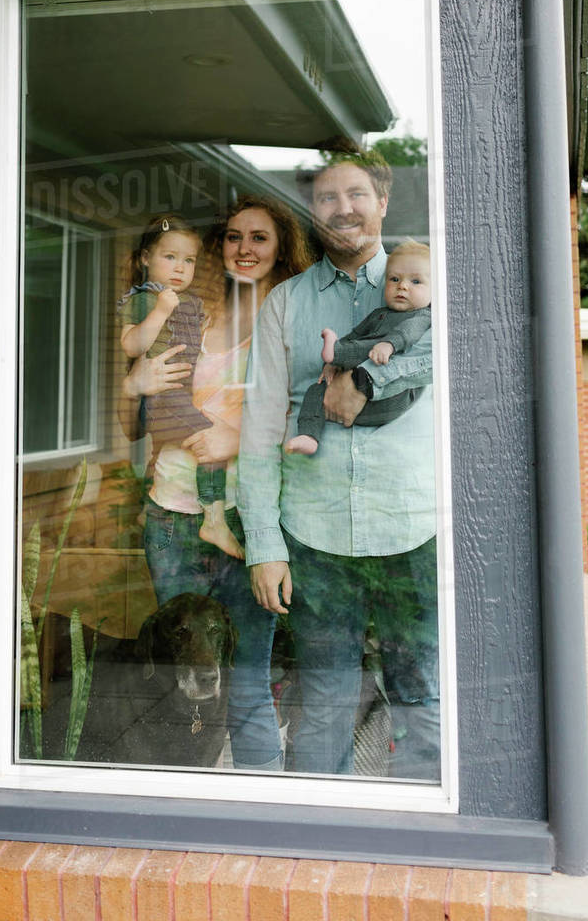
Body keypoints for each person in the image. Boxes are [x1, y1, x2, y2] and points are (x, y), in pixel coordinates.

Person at [238, 152, 440, 779]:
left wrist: (372, 379)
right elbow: (262, 425)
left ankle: (424, 848)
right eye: (327, 197)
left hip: (415, 527)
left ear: (383, 202)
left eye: (356, 194)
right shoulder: (286, 305)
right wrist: (263, 544)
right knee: (323, 702)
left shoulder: (435, 288)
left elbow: (454, 368)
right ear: (312, 211)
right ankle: (313, 847)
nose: (343, 208)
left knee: (422, 696)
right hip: (315, 535)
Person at [120, 196, 312, 771]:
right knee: (184, 680)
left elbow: (320, 413)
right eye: (233, 237)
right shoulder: (190, 314)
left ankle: (262, 819)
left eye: (259, 237)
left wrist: (244, 436)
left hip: (247, 520)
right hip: (171, 515)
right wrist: (135, 383)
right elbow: (143, 408)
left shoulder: (294, 320)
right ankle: (186, 804)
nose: (244, 248)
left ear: (281, 249)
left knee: (247, 679)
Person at [119, 214, 243, 559]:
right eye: (169, 257)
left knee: (211, 446)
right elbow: (131, 345)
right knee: (212, 443)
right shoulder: (142, 298)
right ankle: (214, 520)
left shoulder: (189, 301)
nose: (180, 268)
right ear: (145, 258)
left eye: (188, 260)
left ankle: (213, 517)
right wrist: (160, 311)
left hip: (180, 399)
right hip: (164, 401)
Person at [285, 240, 432, 456]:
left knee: (371, 345)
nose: (402, 286)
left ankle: (336, 351)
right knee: (316, 389)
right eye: (394, 279)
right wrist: (333, 363)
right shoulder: (379, 314)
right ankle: (309, 435)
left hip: (390, 400)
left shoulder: (422, 317)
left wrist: (389, 345)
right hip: (356, 403)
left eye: (416, 281)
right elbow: (356, 335)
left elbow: (406, 334)